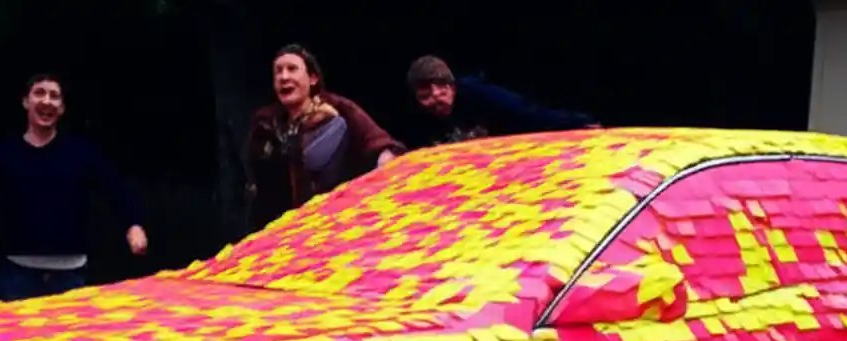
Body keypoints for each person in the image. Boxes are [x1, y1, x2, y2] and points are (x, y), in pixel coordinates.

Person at [0, 73, 148, 302]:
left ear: (61, 108)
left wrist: (133, 224)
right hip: (17, 275)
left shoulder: (81, 154)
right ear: (25, 102)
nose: (47, 101)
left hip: (70, 276)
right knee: (19, 338)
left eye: (54, 96)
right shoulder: (4, 155)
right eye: (39, 93)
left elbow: (116, 190)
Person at [244, 44, 405, 230]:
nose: (284, 77)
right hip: (283, 229)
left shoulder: (339, 110)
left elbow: (378, 142)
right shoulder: (265, 123)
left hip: (334, 222)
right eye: (278, 72)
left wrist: (386, 161)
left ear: (312, 78)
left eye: (292, 69)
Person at [401, 55, 600, 150]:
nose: (436, 98)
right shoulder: (421, 123)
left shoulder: (477, 94)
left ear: (453, 86)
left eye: (442, 89)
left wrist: (577, 123)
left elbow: (528, 112)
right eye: (426, 96)